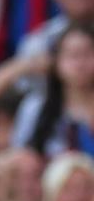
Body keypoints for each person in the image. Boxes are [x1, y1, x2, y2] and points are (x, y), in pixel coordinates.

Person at [14, 22, 94, 158]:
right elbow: (22, 160)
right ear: (55, 62)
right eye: (72, 55)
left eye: (87, 54)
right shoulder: (36, 108)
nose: (80, 63)